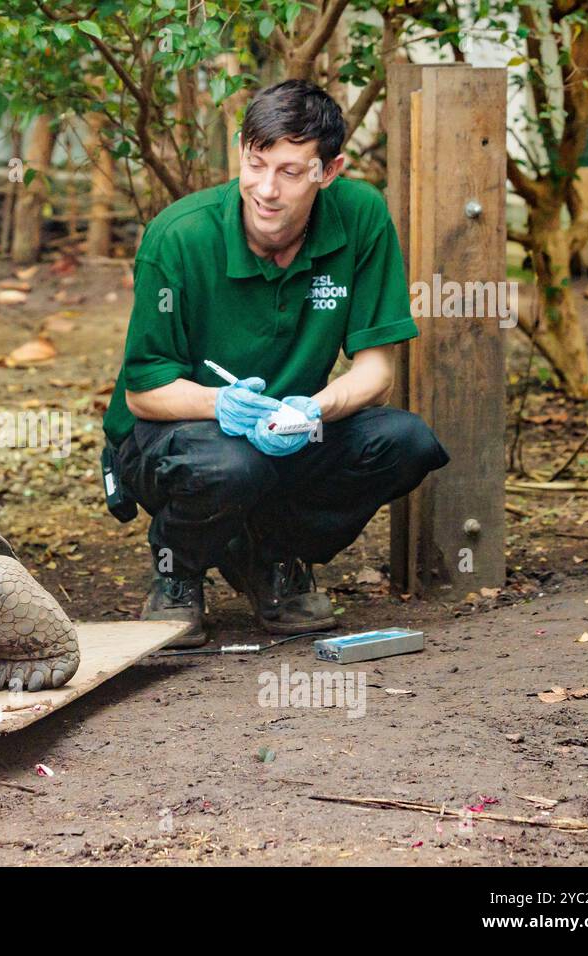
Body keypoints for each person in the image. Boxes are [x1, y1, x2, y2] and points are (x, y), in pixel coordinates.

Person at [101, 79, 450, 648]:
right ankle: (178, 571)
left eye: (290, 172)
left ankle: (270, 556)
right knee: (233, 466)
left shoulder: (360, 217)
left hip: (290, 428)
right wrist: (224, 406)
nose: (266, 189)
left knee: (405, 441)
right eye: (256, 163)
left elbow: (376, 374)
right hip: (170, 434)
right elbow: (144, 391)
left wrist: (313, 408)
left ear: (328, 171)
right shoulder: (178, 235)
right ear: (240, 150)